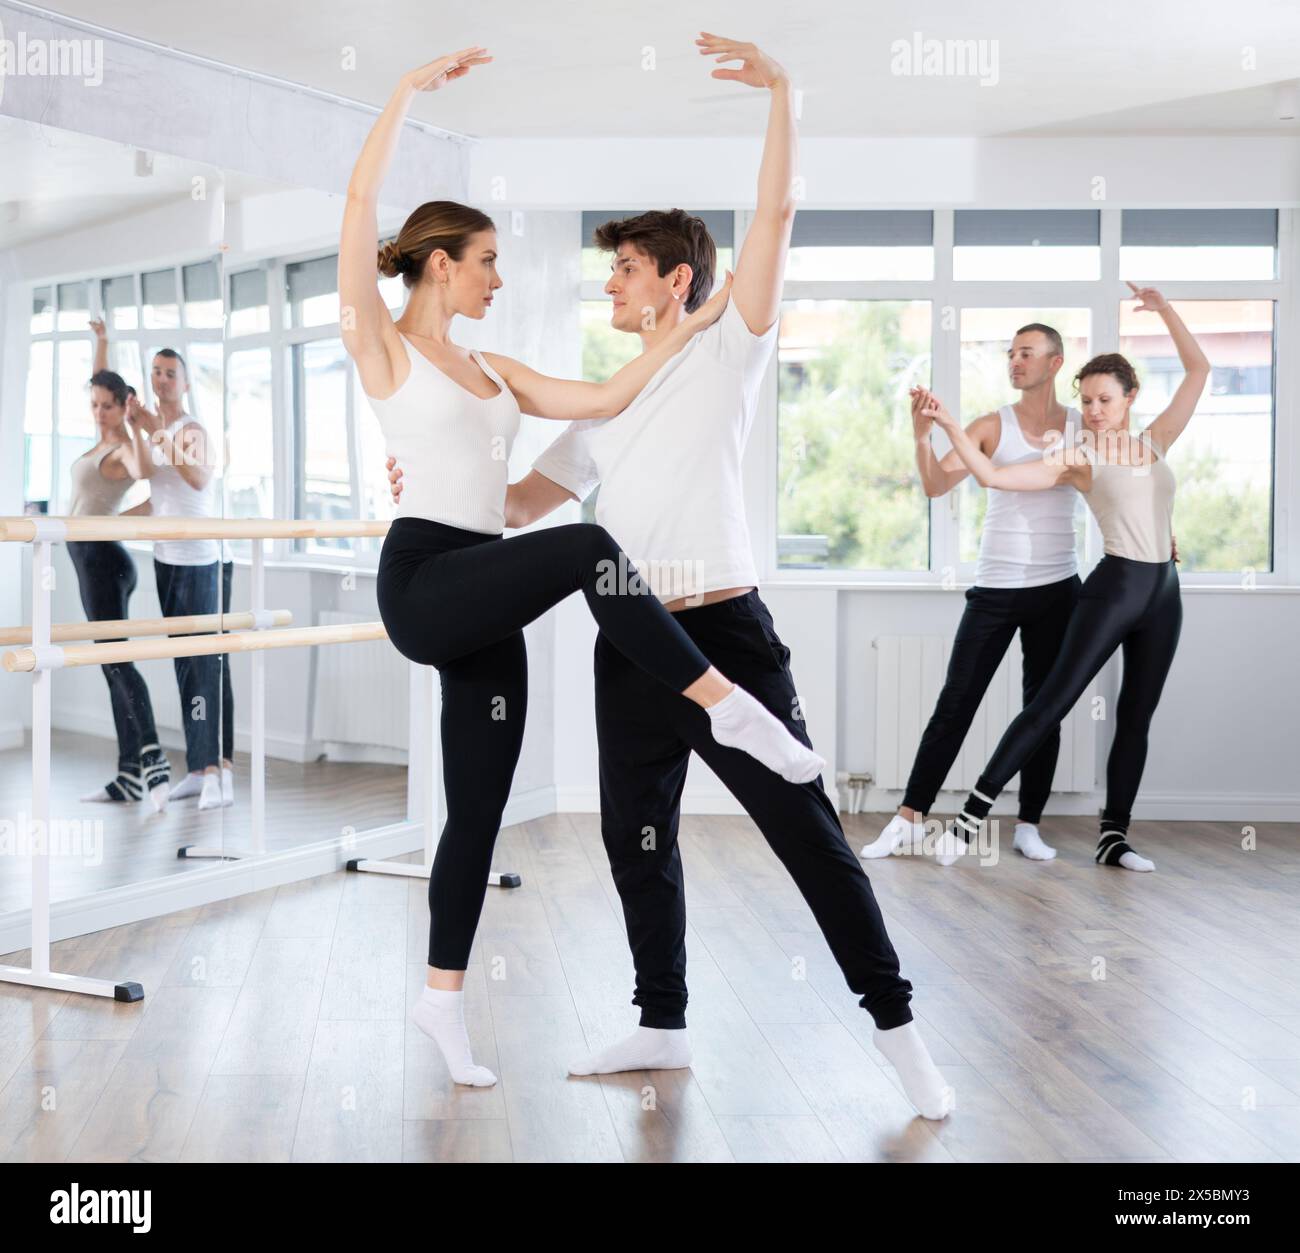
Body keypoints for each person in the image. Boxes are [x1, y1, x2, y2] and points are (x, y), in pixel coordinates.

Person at [390, 34, 950, 1120]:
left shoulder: (728, 343)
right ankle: (662, 1018)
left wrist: (784, 93)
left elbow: (775, 215)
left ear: (676, 279)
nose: (610, 281)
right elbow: (512, 509)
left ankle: (901, 1033)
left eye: (627, 268)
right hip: (636, 645)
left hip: (725, 630)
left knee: (808, 838)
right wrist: (428, 465)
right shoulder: (605, 404)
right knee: (635, 839)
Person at [343, 47, 825, 1090]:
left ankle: (441, 1004)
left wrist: (701, 320)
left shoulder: (496, 370)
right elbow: (357, 204)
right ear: (439, 265)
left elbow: (607, 400)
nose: (498, 277)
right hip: (424, 579)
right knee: (589, 546)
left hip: (484, 583)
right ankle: (725, 702)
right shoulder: (381, 344)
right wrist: (406, 93)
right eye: (486, 260)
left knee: (477, 809)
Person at [921, 283, 1208, 873]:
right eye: (1087, 400)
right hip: (1113, 590)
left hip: (1165, 593)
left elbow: (1199, 369)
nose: (1094, 410)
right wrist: (949, 425)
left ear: (1129, 398)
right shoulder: (1078, 457)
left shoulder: (1155, 442)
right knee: (1050, 703)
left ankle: (1114, 837)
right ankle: (970, 819)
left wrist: (1164, 310)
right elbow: (994, 478)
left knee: (1137, 716)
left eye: (1105, 399)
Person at [99, 327, 236, 812]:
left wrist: (156, 428)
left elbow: (197, 479)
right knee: (184, 666)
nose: (161, 379)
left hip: (203, 559)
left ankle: (219, 769)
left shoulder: (191, 430)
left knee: (207, 664)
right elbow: (157, 500)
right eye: (156, 372)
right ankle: (198, 770)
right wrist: (108, 523)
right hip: (167, 559)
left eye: (170, 373)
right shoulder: (154, 431)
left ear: (186, 383)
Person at [67, 322, 169, 808]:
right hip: (90, 558)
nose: (98, 411)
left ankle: (153, 758)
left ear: (122, 406)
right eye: (95, 404)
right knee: (111, 666)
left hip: (102, 560)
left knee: (118, 663)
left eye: (107, 405)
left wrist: (133, 422)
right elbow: (100, 381)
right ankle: (128, 776)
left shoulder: (121, 448)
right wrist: (102, 344)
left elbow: (146, 472)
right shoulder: (100, 437)